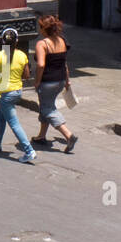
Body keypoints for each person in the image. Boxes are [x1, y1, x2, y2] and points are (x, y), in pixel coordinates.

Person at [0, 28, 36, 163]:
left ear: (2, 41)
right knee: (1, 118)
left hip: (5, 93)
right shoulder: (22, 56)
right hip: (17, 91)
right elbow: (26, 75)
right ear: (17, 41)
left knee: (14, 123)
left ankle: (29, 150)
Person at [33, 15, 76, 153]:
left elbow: (41, 64)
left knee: (48, 109)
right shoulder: (62, 41)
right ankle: (41, 136)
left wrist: (37, 81)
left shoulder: (42, 44)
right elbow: (64, 63)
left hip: (48, 82)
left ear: (43, 29)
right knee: (47, 105)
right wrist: (67, 81)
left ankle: (68, 135)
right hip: (61, 80)